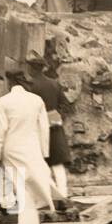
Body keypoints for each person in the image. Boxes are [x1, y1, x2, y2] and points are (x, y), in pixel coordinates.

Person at [0, 61, 54, 224]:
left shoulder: (4, 101)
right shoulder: (36, 101)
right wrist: (45, 152)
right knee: (28, 187)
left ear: (9, 83)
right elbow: (44, 128)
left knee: (21, 187)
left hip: (11, 149)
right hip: (31, 148)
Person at [26, 55, 72, 211]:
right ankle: (63, 197)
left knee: (39, 165)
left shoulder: (29, 86)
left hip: (37, 130)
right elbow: (66, 106)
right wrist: (56, 117)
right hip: (55, 129)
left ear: (31, 68)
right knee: (58, 165)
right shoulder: (54, 84)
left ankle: (45, 198)